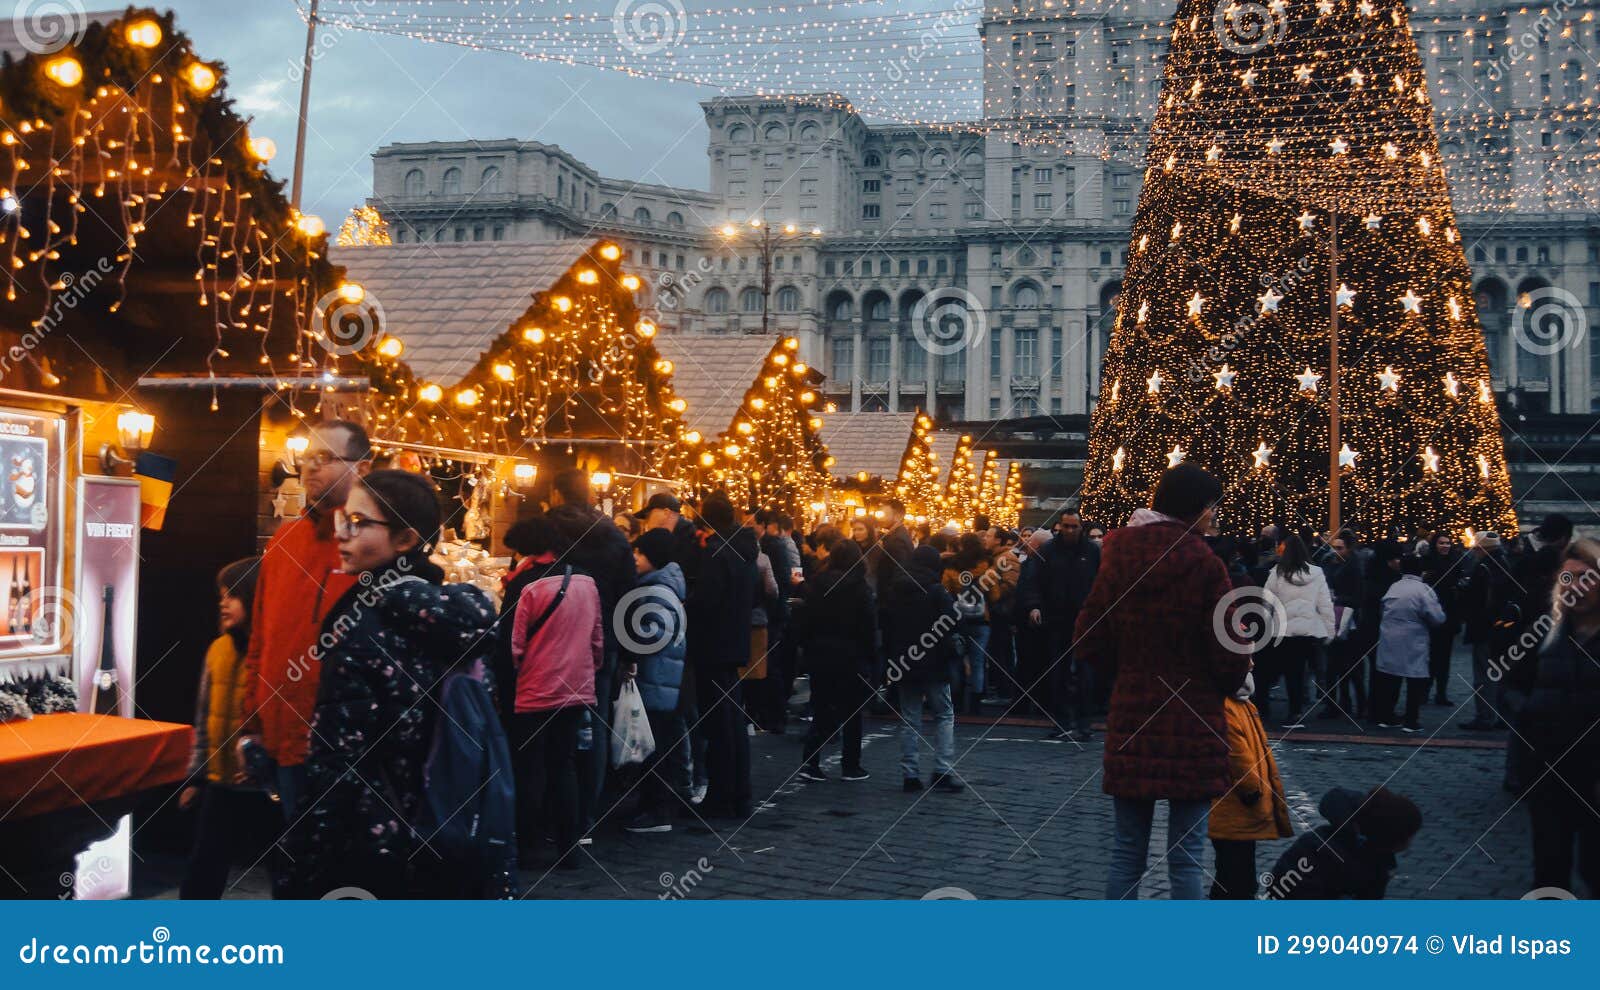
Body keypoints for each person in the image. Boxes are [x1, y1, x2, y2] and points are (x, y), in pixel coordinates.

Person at [284, 470, 499, 898]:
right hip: (444, 825)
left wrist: (304, 862)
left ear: (404, 541)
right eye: (345, 519)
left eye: (361, 523)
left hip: (369, 839)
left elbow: (338, 759)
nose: (343, 533)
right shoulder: (458, 621)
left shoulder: (362, 625)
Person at [1074, 464, 1251, 900]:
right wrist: (1226, 682)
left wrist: (1127, 671)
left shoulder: (1118, 556)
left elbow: (1089, 636)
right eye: (1211, 507)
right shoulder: (1205, 564)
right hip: (1192, 721)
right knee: (1187, 853)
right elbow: (1229, 648)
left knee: (1127, 850)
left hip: (1133, 712)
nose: (1214, 516)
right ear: (1195, 508)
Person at [237, 420, 370, 835]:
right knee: (297, 860)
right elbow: (261, 635)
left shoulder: (370, 543)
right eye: (308, 457)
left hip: (346, 743)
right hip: (281, 733)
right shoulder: (284, 540)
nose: (312, 467)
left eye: (327, 458)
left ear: (362, 468)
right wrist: (251, 723)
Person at [506, 514, 603, 866]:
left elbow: (512, 646)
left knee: (530, 767)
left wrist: (507, 684)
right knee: (564, 766)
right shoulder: (586, 581)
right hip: (576, 688)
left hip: (534, 690)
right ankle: (569, 848)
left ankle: (529, 846)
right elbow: (597, 639)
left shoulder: (526, 586)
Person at [180, 557, 276, 900]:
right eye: (221, 594)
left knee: (283, 869)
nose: (223, 602)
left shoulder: (275, 652)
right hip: (220, 784)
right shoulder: (217, 650)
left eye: (232, 595)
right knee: (204, 866)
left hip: (265, 787)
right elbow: (203, 719)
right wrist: (196, 777)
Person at [548, 470, 636, 839]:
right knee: (596, 725)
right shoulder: (614, 537)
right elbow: (629, 597)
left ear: (555, 492)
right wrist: (630, 651)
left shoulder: (548, 530)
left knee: (554, 726)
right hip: (605, 643)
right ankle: (587, 815)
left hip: (553, 642)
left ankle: (555, 815)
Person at [1514, 538, 1600, 896]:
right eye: (1567, 579)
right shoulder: (1546, 631)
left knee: (1594, 869)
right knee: (1550, 871)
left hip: (1595, 774)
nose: (1575, 588)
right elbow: (1508, 683)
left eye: (1585, 578)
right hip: (1549, 769)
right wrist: (1528, 713)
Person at [686, 495, 758, 816]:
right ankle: (738, 792)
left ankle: (721, 795)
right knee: (733, 722)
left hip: (713, 646)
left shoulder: (718, 555)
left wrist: (688, 604)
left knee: (718, 725)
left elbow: (705, 603)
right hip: (733, 644)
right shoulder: (744, 551)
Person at [620, 529, 690, 833]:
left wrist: (629, 648)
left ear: (655, 556)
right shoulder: (658, 584)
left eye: (640, 553)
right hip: (661, 679)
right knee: (656, 744)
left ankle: (658, 810)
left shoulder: (659, 589)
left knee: (656, 746)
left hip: (658, 679)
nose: (634, 558)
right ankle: (655, 805)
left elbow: (656, 635)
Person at [796, 540, 877, 782]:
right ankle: (850, 765)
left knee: (822, 708)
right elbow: (868, 628)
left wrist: (808, 647)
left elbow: (806, 621)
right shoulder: (861, 588)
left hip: (821, 654)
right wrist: (872, 658)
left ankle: (811, 762)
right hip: (851, 656)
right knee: (852, 712)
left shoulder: (817, 585)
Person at [1017, 508, 1101, 740]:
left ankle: (1084, 722)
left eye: (1074, 526)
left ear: (1080, 527)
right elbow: (1034, 582)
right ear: (1060, 526)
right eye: (1066, 526)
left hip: (1084, 619)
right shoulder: (1048, 550)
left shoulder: (1092, 551)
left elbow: (1101, 584)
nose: (1070, 530)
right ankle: (1062, 721)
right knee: (1059, 672)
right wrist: (1034, 606)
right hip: (1056, 619)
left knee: (1085, 673)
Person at [883, 546, 963, 792]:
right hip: (934, 661)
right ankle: (942, 771)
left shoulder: (896, 590)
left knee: (910, 718)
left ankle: (910, 775)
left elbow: (886, 625)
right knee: (944, 715)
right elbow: (953, 620)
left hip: (905, 660)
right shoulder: (936, 590)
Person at [1208, 673, 1292, 899]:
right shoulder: (1232, 705)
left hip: (1235, 807)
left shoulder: (1236, 702)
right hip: (1237, 804)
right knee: (1236, 878)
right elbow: (1237, 754)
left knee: (1234, 872)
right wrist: (1252, 788)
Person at [1263, 787, 1423, 899]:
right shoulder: (1323, 850)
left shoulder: (1375, 857)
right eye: (1408, 837)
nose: (1409, 843)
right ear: (1389, 838)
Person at [1254, 534, 1335, 730]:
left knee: (1271, 670)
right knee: (1297, 673)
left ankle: (1263, 709)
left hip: (1281, 630)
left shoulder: (1277, 573)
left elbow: (1266, 602)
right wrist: (1329, 630)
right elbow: (1325, 604)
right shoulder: (1317, 573)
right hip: (1306, 631)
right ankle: (1295, 711)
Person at [1373, 555, 1446, 733]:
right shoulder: (1423, 590)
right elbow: (1437, 617)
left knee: (1392, 678)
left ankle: (1387, 716)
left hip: (1390, 637)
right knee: (1415, 680)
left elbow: (1382, 609)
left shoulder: (1394, 587)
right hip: (1414, 639)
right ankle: (1411, 720)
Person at [1459, 532, 1512, 731]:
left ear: (1482, 549)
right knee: (1501, 673)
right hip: (1502, 627)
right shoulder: (1504, 563)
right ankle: (1503, 716)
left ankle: (1485, 716)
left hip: (1483, 627)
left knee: (1483, 674)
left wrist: (1463, 592)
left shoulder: (1482, 568)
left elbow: (1475, 600)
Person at [942, 533, 994, 716]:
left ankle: (956, 701)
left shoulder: (951, 566)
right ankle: (975, 704)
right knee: (978, 662)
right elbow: (994, 594)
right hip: (981, 621)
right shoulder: (986, 566)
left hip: (957, 620)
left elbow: (945, 592)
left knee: (956, 660)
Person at [1322, 530, 1367, 719]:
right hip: (1336, 617)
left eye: (1339, 548)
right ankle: (1339, 703)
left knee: (1349, 665)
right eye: (1334, 547)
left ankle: (1352, 703)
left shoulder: (1354, 567)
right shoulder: (1334, 563)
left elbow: (1358, 596)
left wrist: (1337, 597)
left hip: (1349, 620)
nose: (1335, 551)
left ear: (1348, 548)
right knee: (1333, 665)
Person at [1422, 531, 1465, 705]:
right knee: (1429, 656)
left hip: (1449, 614)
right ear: (1435, 544)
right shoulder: (1428, 561)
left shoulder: (1455, 561)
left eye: (1447, 543)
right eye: (1441, 543)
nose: (1445, 546)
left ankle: (1441, 693)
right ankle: (1424, 691)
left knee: (1444, 657)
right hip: (1431, 614)